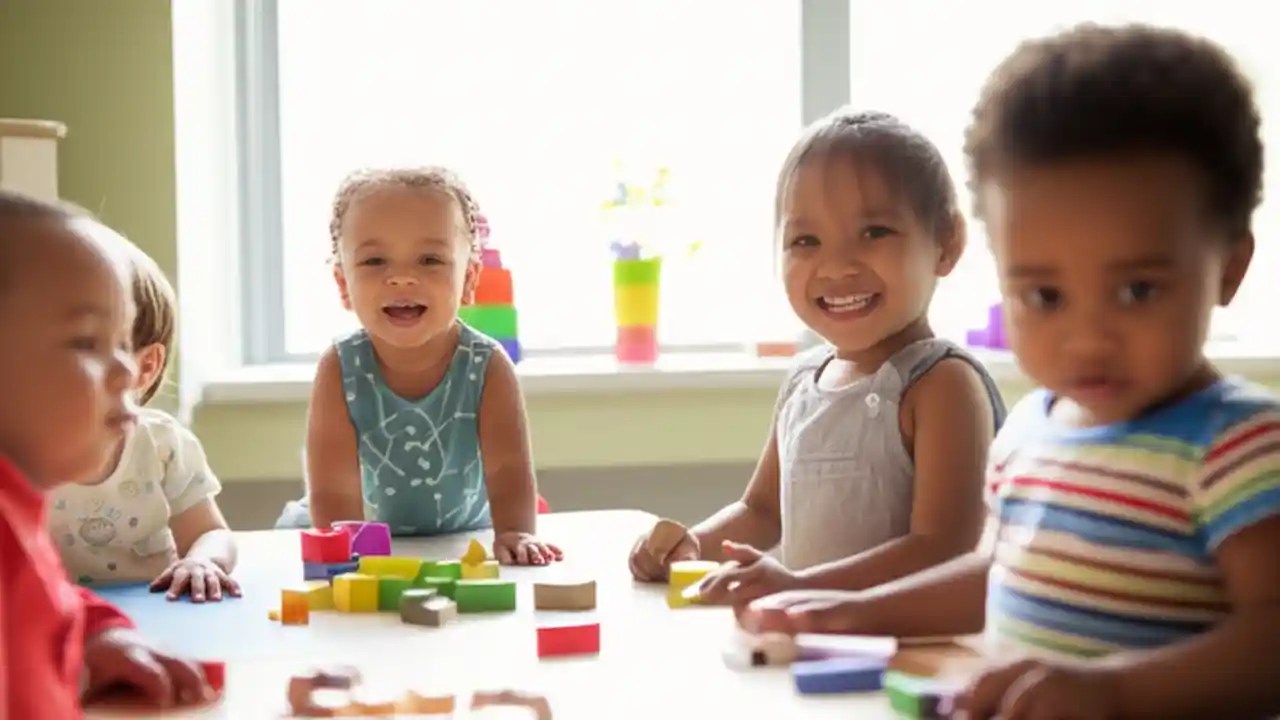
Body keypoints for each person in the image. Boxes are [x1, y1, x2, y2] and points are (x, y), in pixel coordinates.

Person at [738, 24, 1280, 720]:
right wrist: (847, 613)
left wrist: (1114, 692)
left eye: (1138, 290)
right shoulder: (1031, 429)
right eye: (1044, 296)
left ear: (1228, 268)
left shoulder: (1238, 448)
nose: (1087, 338)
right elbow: (995, 576)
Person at [629, 110, 1006, 603]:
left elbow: (944, 550)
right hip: (816, 638)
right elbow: (762, 512)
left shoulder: (941, 384)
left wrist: (803, 588)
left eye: (873, 232)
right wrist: (692, 547)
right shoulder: (805, 380)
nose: (837, 266)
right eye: (805, 241)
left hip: (917, 655)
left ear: (947, 244)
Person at [277, 167, 560, 565]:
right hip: (361, 534)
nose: (403, 278)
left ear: (469, 280)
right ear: (343, 284)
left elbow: (509, 470)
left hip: (462, 541)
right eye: (375, 261)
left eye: (430, 259)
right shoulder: (339, 368)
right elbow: (334, 490)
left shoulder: (487, 366)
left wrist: (514, 532)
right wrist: (352, 561)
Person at [0, 191, 213, 716]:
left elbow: (48, 602)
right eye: (86, 343)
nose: (124, 370)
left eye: (123, 343)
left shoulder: (20, 511)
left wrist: (100, 638)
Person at [48, 222, 239, 601]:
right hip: (60, 617)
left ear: (145, 366)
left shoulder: (162, 444)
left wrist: (202, 562)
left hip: (157, 606)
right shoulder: (22, 451)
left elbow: (211, 533)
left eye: (82, 345)